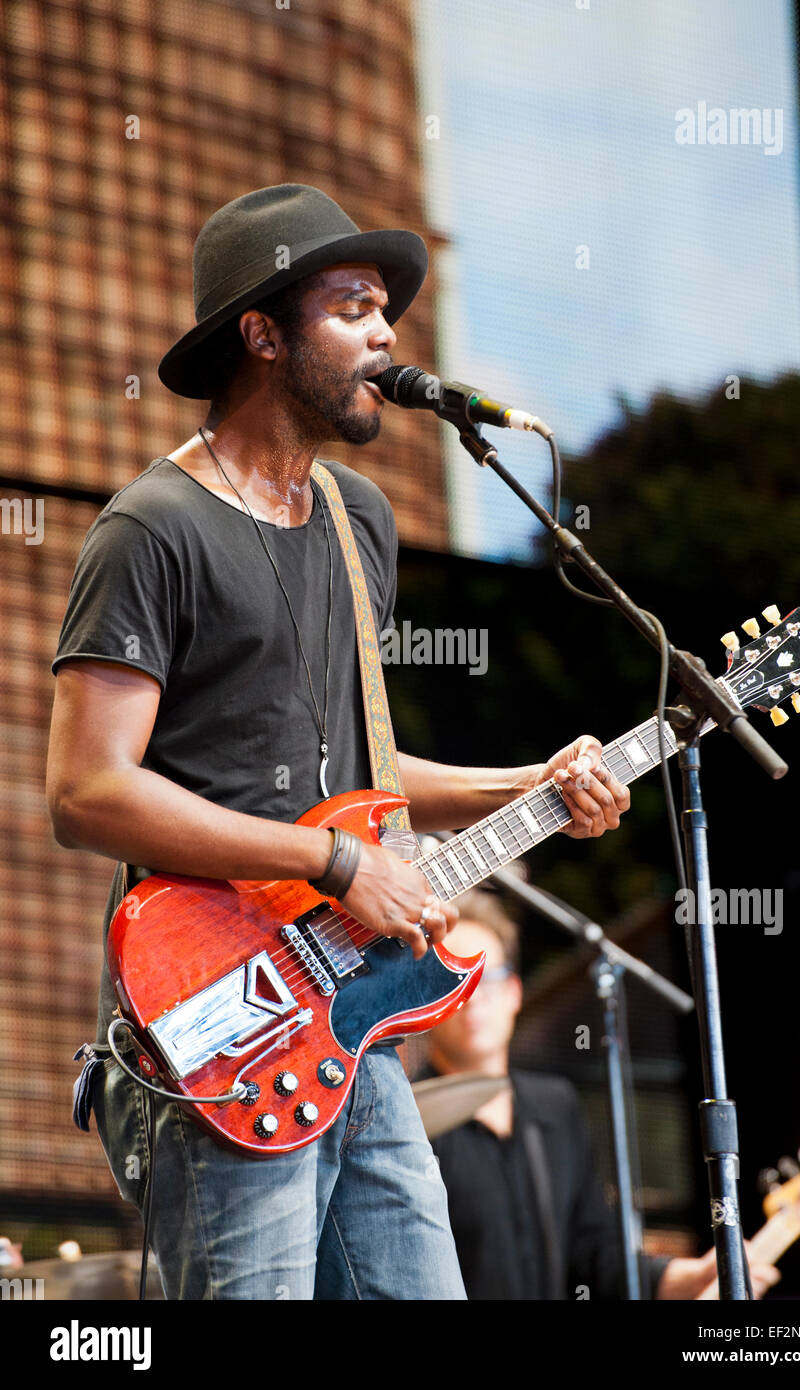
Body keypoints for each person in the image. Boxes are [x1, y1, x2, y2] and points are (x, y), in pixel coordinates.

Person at [45, 184, 632, 1301]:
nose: (387, 336)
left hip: (351, 1023)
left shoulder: (360, 519)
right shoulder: (151, 528)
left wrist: (535, 782)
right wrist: (335, 862)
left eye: (390, 313)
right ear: (261, 333)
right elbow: (85, 792)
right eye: (355, 306)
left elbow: (362, 768)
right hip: (220, 1017)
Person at [422, 889, 782, 1301]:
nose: (471, 997)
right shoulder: (405, 1122)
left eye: (485, 976)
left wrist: (691, 1274)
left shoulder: (553, 1107)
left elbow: (598, 1259)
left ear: (514, 992)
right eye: (449, 979)